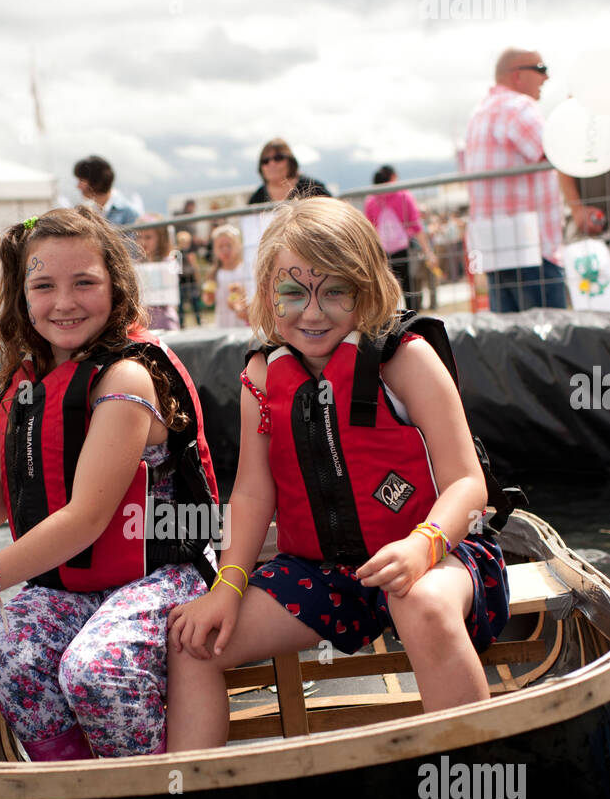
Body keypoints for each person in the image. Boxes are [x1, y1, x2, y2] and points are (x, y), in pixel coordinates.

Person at [165, 197, 510, 751]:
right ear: (267, 296)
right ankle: (194, 795)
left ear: (367, 289)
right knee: (192, 643)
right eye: (293, 292)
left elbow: (468, 484)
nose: (313, 311)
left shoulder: (408, 360)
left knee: (418, 605)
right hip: (321, 571)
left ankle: (471, 775)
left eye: (335, 291)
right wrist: (226, 588)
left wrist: (422, 546)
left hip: (439, 554)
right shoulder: (259, 377)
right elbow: (253, 494)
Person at [0, 207, 218, 760]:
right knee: (7, 651)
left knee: (97, 668)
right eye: (43, 285)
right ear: (22, 298)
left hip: (164, 573)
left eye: (84, 283)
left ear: (115, 287)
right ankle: (74, 784)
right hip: (74, 587)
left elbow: (88, 518)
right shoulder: (26, 383)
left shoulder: (127, 378)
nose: (64, 302)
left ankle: (144, 789)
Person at [463, 48, 567, 311]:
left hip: (496, 249)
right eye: (541, 69)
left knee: (511, 342)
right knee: (550, 342)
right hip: (532, 248)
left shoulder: (478, 113)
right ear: (518, 75)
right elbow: (560, 154)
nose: (546, 77)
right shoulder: (518, 106)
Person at [364, 166, 438, 311]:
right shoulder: (403, 195)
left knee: (385, 292)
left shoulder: (371, 200)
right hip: (404, 250)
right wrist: (428, 252)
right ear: (392, 178)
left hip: (382, 252)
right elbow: (417, 226)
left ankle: (388, 325)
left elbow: (369, 231)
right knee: (410, 289)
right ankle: (414, 323)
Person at [247, 139, 331, 205]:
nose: (271, 164)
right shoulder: (256, 199)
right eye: (265, 161)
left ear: (290, 161)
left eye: (278, 158)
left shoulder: (314, 188)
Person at [135, 215, 180, 330]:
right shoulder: (138, 264)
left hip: (164, 320)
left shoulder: (168, 262)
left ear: (161, 239)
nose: (143, 242)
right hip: (144, 321)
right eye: (140, 237)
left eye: (148, 237)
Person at [73, 155, 139, 227]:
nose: (78, 186)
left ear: (96, 181)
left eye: (81, 180)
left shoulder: (129, 213)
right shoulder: (86, 211)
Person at [208, 224, 254, 326]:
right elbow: (208, 301)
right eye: (220, 247)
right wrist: (209, 295)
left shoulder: (245, 269)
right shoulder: (215, 273)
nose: (225, 250)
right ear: (215, 250)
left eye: (229, 245)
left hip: (243, 319)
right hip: (223, 321)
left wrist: (241, 292)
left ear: (238, 246)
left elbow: (251, 293)